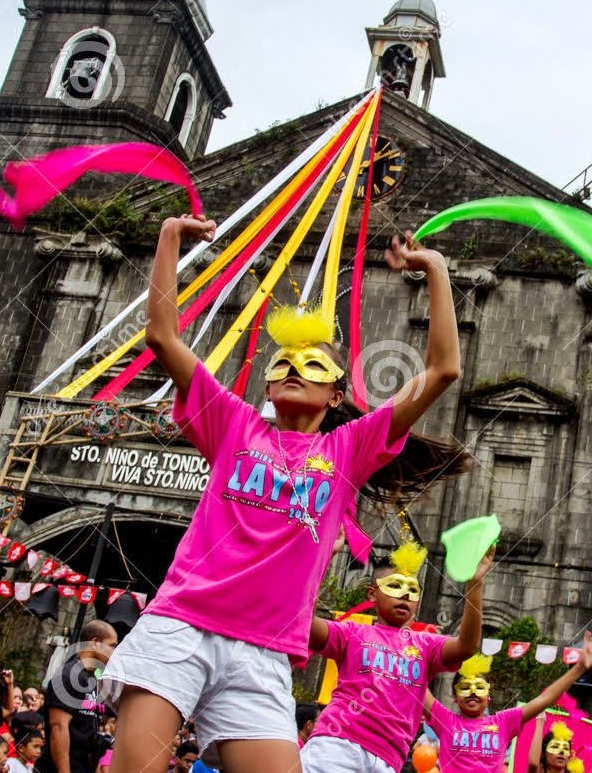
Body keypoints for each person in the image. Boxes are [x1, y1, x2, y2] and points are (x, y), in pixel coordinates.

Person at [105, 218, 464, 773]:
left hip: (263, 651)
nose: (296, 370)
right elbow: (162, 338)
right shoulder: (232, 424)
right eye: (283, 365)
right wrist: (171, 237)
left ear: (336, 391)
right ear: (269, 387)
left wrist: (436, 269)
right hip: (182, 625)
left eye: (313, 364)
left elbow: (443, 369)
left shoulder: (350, 449)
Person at [301, 542, 493, 773]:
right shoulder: (352, 632)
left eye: (412, 590)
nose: (404, 594)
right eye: (394, 586)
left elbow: (467, 646)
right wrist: (324, 555)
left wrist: (475, 583)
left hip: (389, 758)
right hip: (338, 744)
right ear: (372, 593)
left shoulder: (426, 645)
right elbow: (304, 622)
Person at [423, 640, 592, 773]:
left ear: (489, 696)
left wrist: (579, 669)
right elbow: (418, 687)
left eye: (479, 687)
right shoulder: (444, 719)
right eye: (465, 687)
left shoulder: (503, 721)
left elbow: (544, 699)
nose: (473, 693)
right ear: (455, 696)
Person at [38, 621, 117, 773]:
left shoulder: (92, 680)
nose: (114, 652)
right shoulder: (67, 676)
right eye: (112, 646)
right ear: (95, 642)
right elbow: (59, 727)